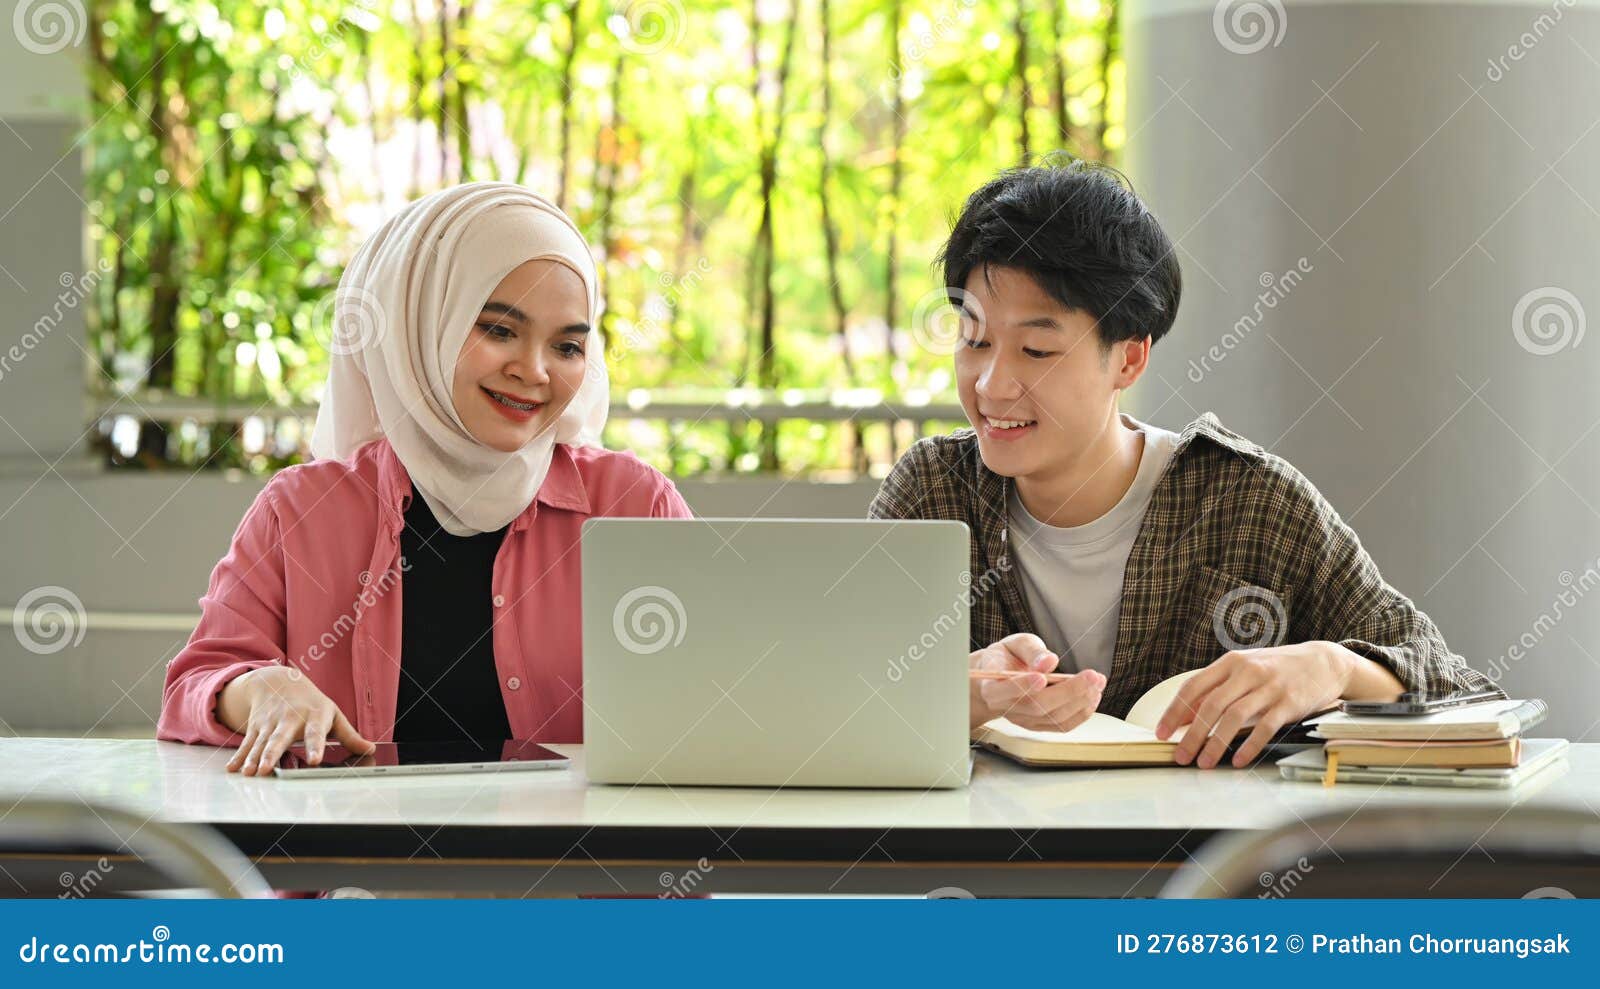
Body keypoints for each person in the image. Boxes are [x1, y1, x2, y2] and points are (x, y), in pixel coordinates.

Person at [869, 160, 1502, 769]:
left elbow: (1466, 695)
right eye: (974, 341)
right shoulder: (932, 493)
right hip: (981, 867)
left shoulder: (1251, 503)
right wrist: (961, 698)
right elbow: (831, 705)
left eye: (1037, 350)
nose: (992, 385)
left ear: (1129, 359)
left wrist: (1334, 667)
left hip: (1215, 871)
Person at [157, 182, 691, 775]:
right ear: (420, 324)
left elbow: (721, 680)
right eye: (499, 330)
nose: (534, 371)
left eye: (567, 345)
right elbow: (195, 683)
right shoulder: (304, 508)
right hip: (351, 859)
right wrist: (256, 689)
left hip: (584, 860)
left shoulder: (632, 502)